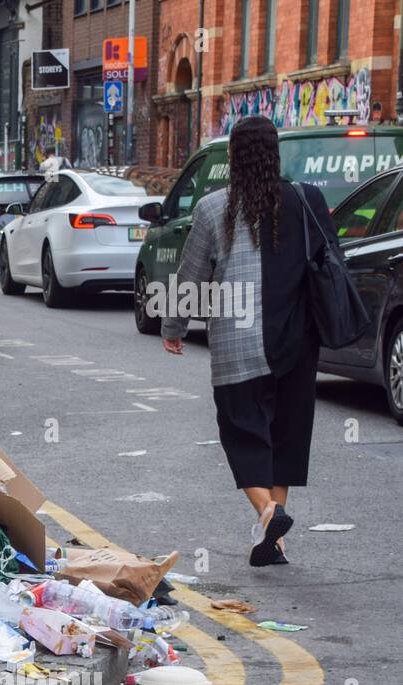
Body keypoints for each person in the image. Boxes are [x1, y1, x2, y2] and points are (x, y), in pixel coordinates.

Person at [161, 115, 336, 567]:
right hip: (298, 344)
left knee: (241, 435)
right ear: (275, 153)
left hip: (239, 348)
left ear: (234, 158)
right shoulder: (306, 200)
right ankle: (271, 543)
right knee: (284, 439)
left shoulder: (214, 208)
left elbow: (192, 277)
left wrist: (174, 329)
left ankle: (269, 513)